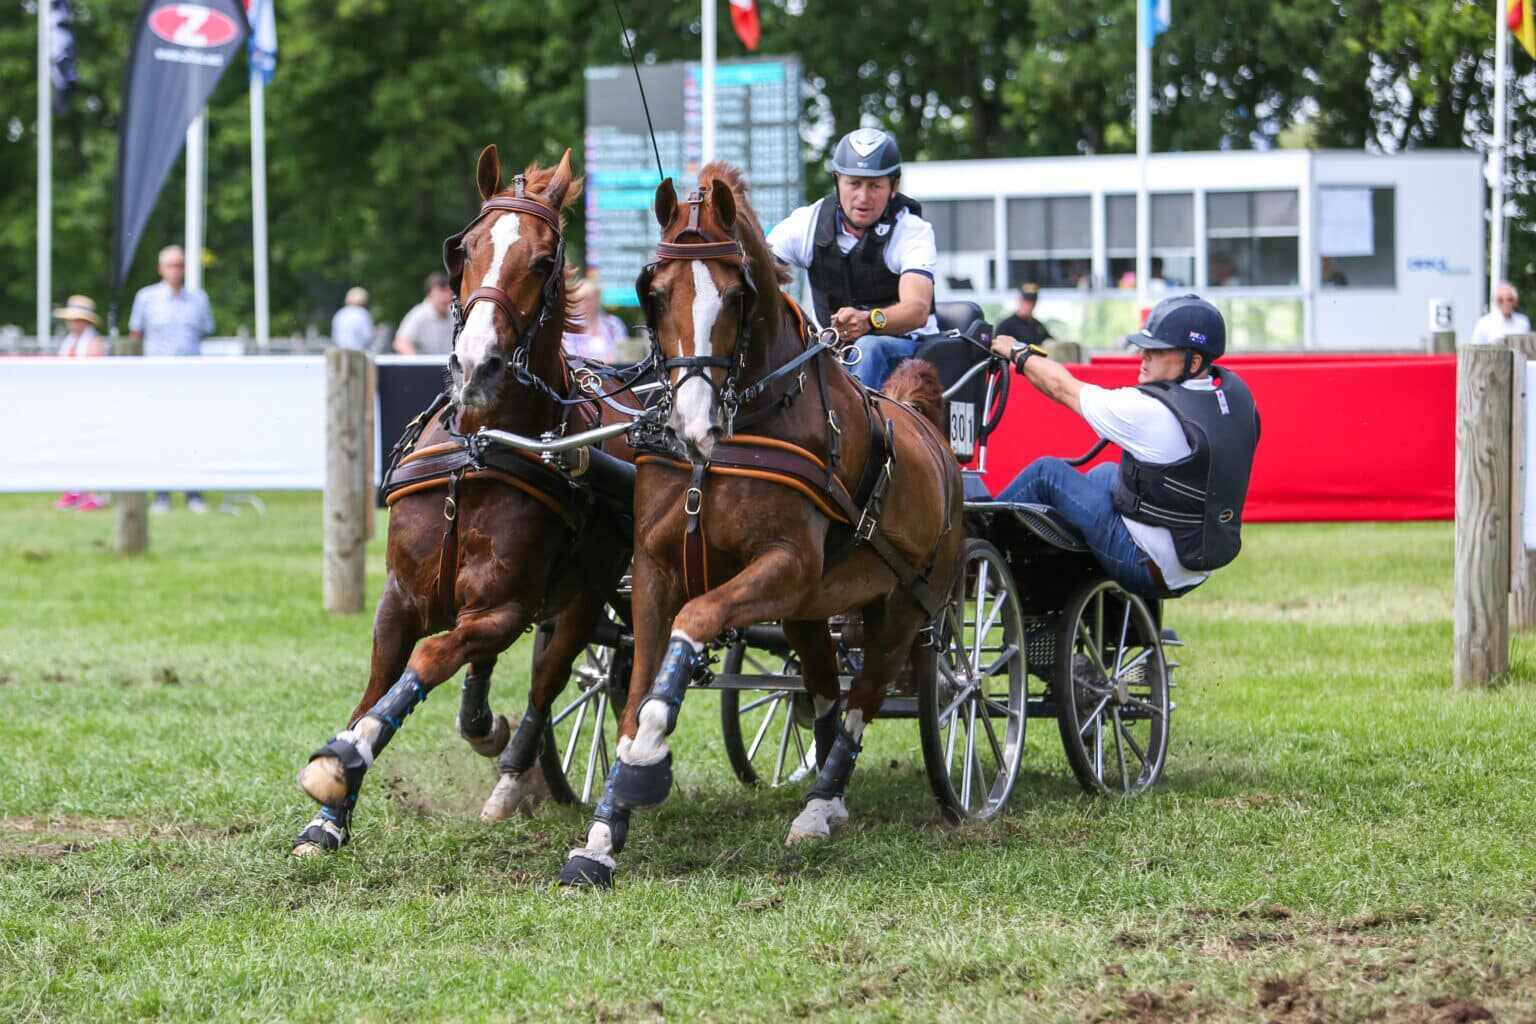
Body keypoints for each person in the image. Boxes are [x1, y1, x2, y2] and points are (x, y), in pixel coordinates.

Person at [990, 294, 1261, 601]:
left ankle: (978, 548)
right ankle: (1053, 565)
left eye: (1158, 350)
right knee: (1105, 472)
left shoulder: (1150, 411)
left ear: (1194, 361)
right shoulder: (1236, 399)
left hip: (1147, 567)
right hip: (1196, 562)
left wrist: (1018, 352)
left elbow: (1061, 388)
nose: (1143, 355)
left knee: (1046, 473)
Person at [767, 127, 937, 388]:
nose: (863, 197)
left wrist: (869, 321)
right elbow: (756, 270)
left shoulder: (912, 230)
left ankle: (854, 416)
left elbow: (917, 310)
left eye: (875, 186)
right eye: (854, 183)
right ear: (837, 180)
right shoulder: (806, 223)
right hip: (832, 348)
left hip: (908, 349)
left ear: (894, 186)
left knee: (868, 347)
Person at [129, 245, 213, 514]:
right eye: (171, 265)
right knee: (160, 435)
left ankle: (193, 493)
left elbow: (204, 331)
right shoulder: (146, 298)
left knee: (192, 435)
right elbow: (136, 335)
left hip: (190, 378)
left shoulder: (199, 299)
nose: (176, 270)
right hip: (158, 379)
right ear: (161, 269)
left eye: (180, 264)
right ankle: (161, 494)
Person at [53, 295, 108, 511]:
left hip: (89, 402)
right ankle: (74, 490)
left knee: (91, 446)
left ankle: (92, 494)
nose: (73, 323)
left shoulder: (94, 343)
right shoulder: (68, 342)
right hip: (70, 401)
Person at [563, 276, 628, 363]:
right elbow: (571, 357)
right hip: (584, 371)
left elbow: (623, 352)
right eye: (580, 299)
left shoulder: (613, 323)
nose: (585, 303)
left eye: (589, 299)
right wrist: (603, 361)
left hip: (614, 370)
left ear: (597, 299)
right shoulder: (571, 327)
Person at [393, 273, 456, 356]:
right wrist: (416, 361)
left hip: (448, 362)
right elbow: (401, 342)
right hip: (424, 363)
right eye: (441, 291)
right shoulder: (419, 314)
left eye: (448, 291)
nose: (446, 296)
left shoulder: (455, 314)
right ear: (429, 294)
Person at [1472, 281, 1531, 345]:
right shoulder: (1483, 323)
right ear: (1495, 302)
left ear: (1516, 301)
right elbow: (1475, 347)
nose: (1506, 303)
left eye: (1510, 299)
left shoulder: (1523, 322)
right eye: (1500, 300)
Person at [330, 287, 374, 351]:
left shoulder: (340, 314)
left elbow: (335, 337)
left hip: (340, 352)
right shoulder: (363, 314)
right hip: (357, 352)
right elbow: (367, 336)